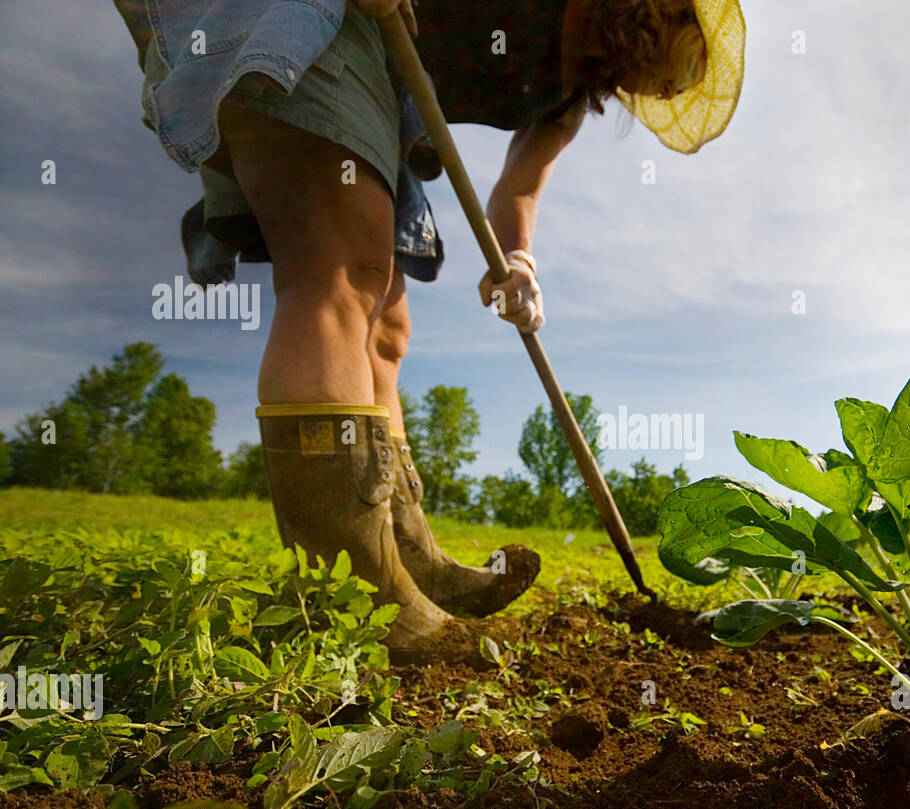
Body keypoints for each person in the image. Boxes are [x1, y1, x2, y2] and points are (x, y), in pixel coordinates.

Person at [113, 0, 745, 663]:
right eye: (681, 70)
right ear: (662, 20)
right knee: (337, 269)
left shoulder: (571, 100)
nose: (667, 92)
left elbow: (520, 189)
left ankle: (408, 558)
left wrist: (520, 260)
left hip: (381, 83)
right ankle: (355, 596)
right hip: (322, 19)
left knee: (386, 323)